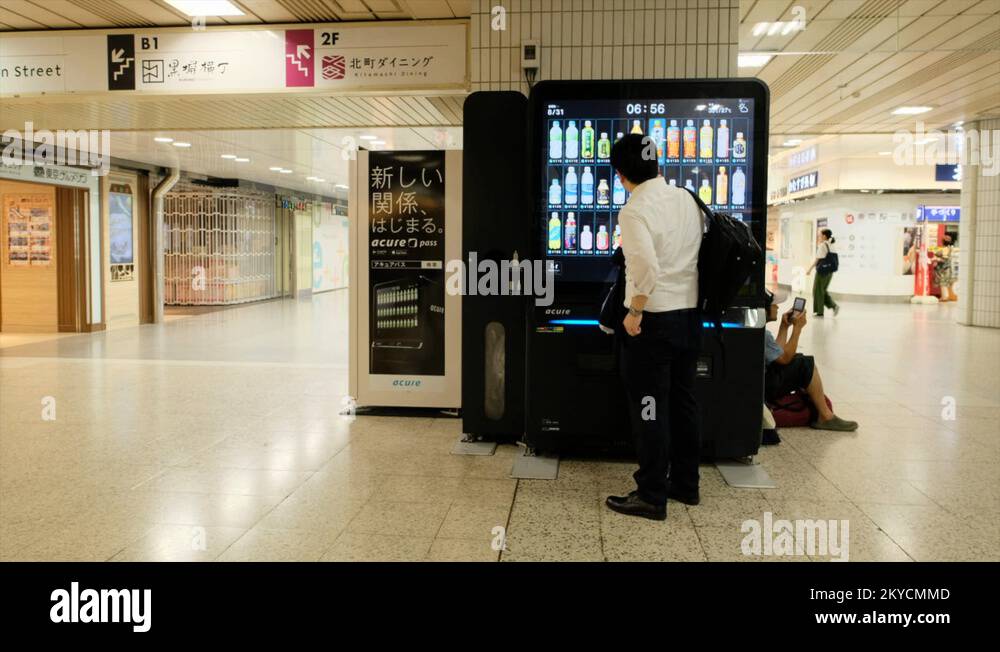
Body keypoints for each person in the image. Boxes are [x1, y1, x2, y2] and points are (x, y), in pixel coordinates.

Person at [604, 134, 704, 521]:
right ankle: (686, 485)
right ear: (656, 163)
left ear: (620, 174)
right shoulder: (686, 197)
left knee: (649, 407)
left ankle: (650, 495)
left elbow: (644, 266)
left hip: (654, 322)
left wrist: (634, 311)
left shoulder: (634, 209)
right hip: (689, 317)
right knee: (684, 402)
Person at [763, 290, 857, 431]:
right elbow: (784, 359)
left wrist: (784, 327)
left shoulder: (757, 330)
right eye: (774, 304)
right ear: (764, 309)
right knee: (805, 364)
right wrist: (797, 329)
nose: (777, 307)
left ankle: (823, 413)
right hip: (764, 386)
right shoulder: (763, 334)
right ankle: (825, 417)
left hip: (759, 381)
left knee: (799, 359)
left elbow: (777, 355)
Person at [807, 228, 839, 317]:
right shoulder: (831, 245)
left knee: (817, 290)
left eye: (820, 235)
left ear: (824, 236)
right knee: (822, 290)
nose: (819, 237)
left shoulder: (823, 245)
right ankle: (833, 306)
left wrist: (809, 269)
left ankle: (820, 311)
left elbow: (817, 259)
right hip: (830, 272)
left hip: (822, 272)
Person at [934, 232, 959, 302]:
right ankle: (945, 296)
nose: (943, 239)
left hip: (944, 269)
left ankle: (944, 296)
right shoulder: (951, 248)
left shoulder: (946, 249)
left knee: (943, 282)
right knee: (945, 282)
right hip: (948, 268)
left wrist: (936, 259)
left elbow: (944, 258)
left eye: (945, 238)